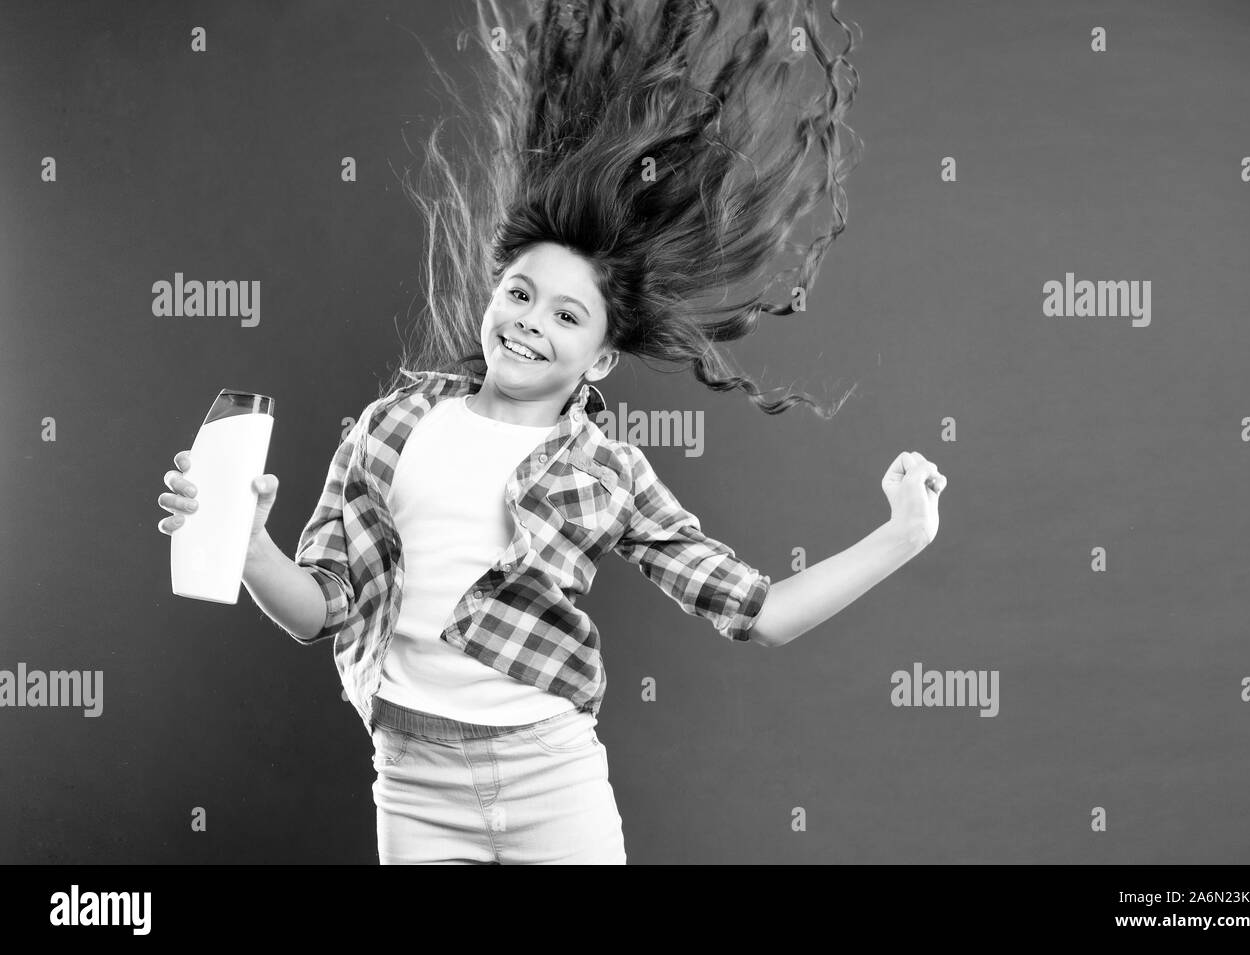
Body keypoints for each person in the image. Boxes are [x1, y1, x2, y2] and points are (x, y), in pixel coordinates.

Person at [157, 0, 946, 864]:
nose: (532, 322)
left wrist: (902, 535)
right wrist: (246, 544)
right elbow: (319, 611)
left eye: (569, 315)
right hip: (413, 785)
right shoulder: (389, 428)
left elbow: (761, 613)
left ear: (601, 358)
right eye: (521, 294)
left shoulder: (609, 471)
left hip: (551, 781)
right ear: (494, 294)